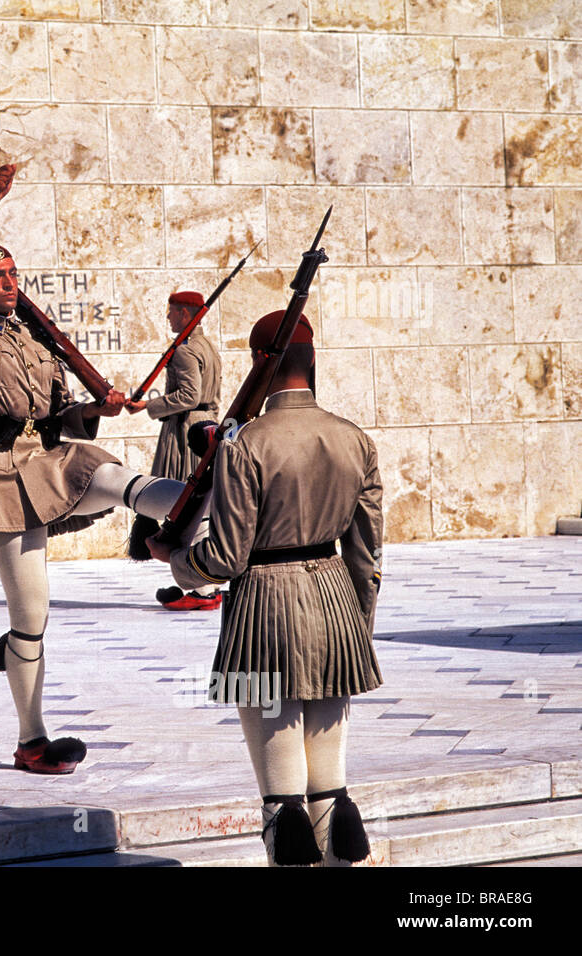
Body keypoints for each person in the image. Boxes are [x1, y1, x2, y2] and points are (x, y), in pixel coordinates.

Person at [0, 164, 191, 775]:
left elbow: (58, 413)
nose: (9, 284)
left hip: (46, 458)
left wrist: (93, 408)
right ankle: (31, 738)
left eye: (13, 274)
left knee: (101, 468)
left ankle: (193, 505)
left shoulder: (32, 338)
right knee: (31, 616)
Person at [148, 310, 383, 866]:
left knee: (283, 800)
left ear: (259, 365)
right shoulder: (356, 439)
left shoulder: (245, 444)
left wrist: (175, 559)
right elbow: (367, 558)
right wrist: (356, 629)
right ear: (313, 362)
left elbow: (225, 557)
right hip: (335, 604)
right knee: (330, 787)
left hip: (262, 611)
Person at [141, 290, 223, 611]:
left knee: (185, 506)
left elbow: (188, 396)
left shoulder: (184, 351)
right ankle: (200, 583)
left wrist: (149, 406)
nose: (168, 317)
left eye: (173, 311)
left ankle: (201, 590)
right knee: (196, 507)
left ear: (187, 315)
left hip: (186, 429)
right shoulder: (208, 348)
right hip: (205, 424)